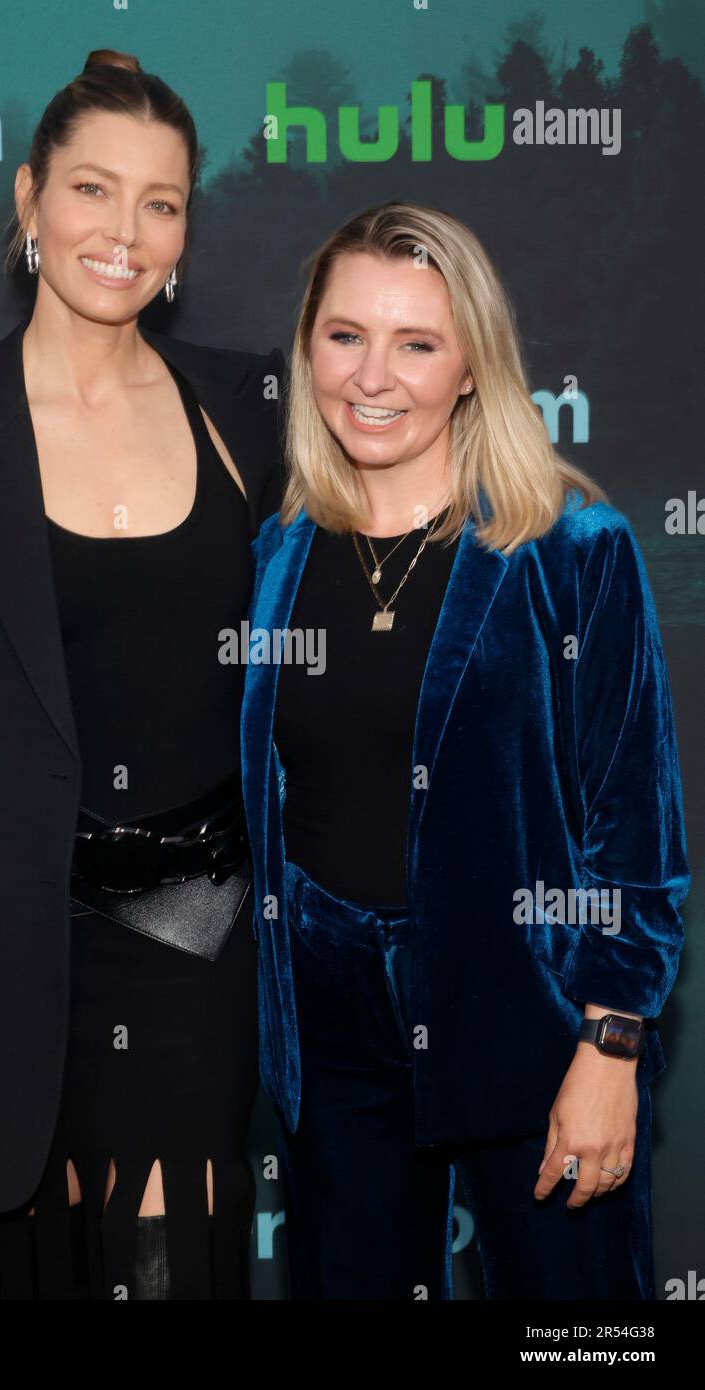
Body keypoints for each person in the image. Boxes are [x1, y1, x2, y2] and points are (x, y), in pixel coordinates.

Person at [0, 49, 285, 1300]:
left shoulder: (251, 416)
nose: (125, 232)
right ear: (29, 198)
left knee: (161, 1272)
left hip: (191, 947)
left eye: (162, 201)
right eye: (94, 190)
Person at [240, 202, 689, 1300]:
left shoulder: (569, 550)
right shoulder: (278, 552)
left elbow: (638, 837)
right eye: (345, 335)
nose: (372, 375)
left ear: (472, 368)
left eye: (416, 343)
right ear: (307, 350)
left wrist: (609, 1046)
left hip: (524, 1010)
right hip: (333, 1028)